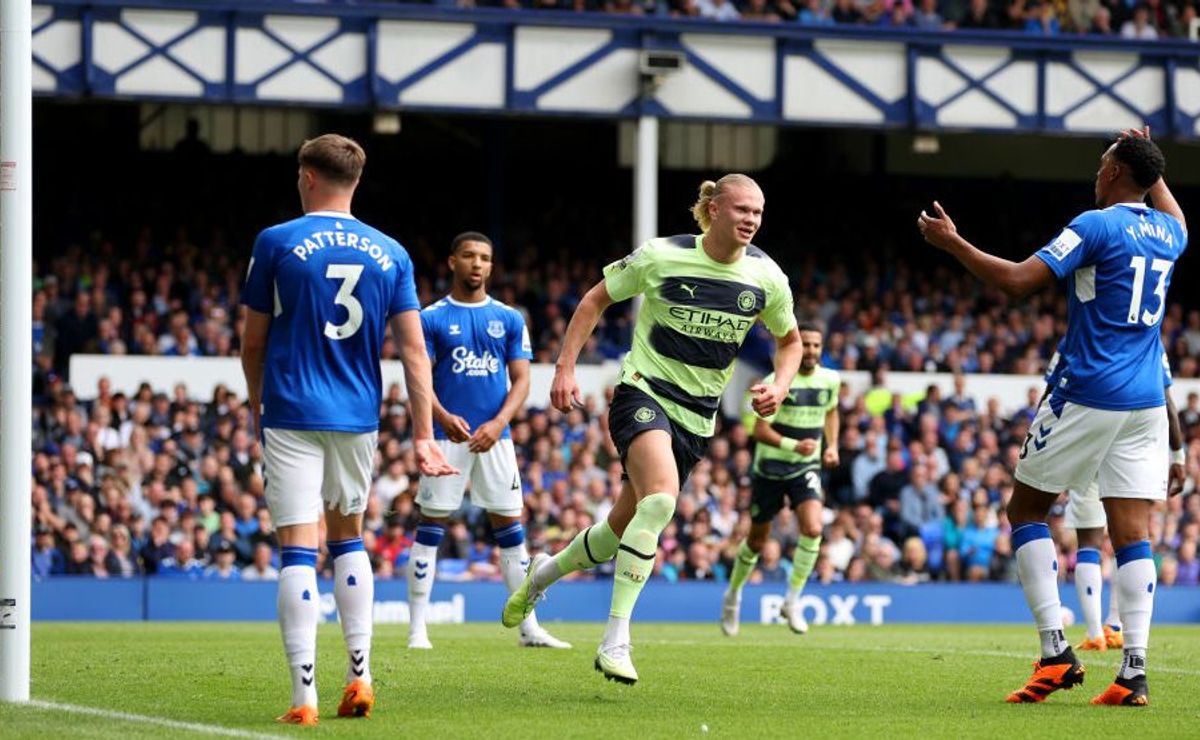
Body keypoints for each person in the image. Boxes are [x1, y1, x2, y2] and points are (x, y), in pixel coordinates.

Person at [918, 126, 1186, 706]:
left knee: (1026, 509)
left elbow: (1016, 281)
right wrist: (1146, 159)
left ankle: (1056, 653)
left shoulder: (1094, 225)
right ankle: (1133, 671)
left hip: (1089, 390)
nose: (1096, 172)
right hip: (1146, 402)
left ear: (1115, 172)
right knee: (1132, 533)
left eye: (1102, 163)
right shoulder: (1170, 231)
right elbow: (1169, 203)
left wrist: (954, 244)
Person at [502, 174, 802, 684]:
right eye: (742, 209)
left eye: (758, 211)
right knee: (660, 500)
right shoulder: (661, 255)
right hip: (643, 392)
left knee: (619, 529)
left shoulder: (767, 277)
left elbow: (790, 340)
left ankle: (542, 573)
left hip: (697, 417)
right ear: (713, 209)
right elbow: (595, 299)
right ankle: (616, 639)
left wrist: (780, 382)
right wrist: (565, 367)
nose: (751, 219)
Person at [241, 134, 455, 725]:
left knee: (296, 549)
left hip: (291, 412)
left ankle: (304, 698)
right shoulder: (390, 252)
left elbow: (253, 340)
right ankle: (360, 678)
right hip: (357, 416)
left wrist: (257, 398)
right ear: (354, 182)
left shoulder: (277, 241)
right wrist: (421, 436)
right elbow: (415, 352)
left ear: (307, 176)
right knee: (348, 540)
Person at [407, 231, 570, 650]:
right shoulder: (431, 318)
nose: (477, 264)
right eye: (469, 256)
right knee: (431, 526)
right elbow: (420, 378)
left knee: (512, 531)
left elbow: (522, 380)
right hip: (448, 437)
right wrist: (442, 417)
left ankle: (528, 628)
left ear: (491, 266)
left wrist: (498, 423)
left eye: (484, 258)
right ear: (452, 262)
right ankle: (417, 629)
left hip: (495, 439)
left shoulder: (510, 318)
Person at [720, 322, 839, 636]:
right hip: (770, 468)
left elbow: (831, 411)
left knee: (814, 528)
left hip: (806, 467)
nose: (811, 351)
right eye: (807, 345)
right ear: (797, 347)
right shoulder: (776, 382)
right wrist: (792, 445)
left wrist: (833, 445)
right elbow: (759, 430)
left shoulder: (831, 380)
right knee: (757, 541)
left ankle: (793, 599)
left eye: (816, 345)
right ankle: (733, 595)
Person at [1062, 350, 1185, 652]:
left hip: (1090, 434)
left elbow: (1056, 389)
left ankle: (1096, 634)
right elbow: (1168, 400)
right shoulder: (1151, 341)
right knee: (1131, 537)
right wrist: (1178, 454)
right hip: (1136, 439)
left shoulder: (1084, 331)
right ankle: (1117, 627)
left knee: (1090, 540)